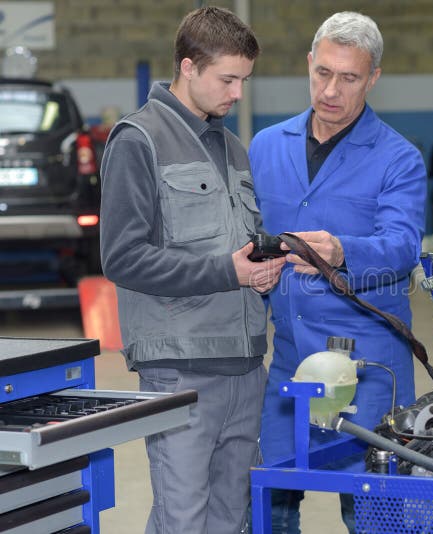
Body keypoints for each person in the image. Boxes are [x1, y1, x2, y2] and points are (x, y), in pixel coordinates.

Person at [99, 7, 285, 533]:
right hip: (180, 370)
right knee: (182, 520)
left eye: (244, 80)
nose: (238, 94)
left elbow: (239, 247)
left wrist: (261, 270)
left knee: (232, 520)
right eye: (228, 79)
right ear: (188, 66)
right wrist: (229, 272)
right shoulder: (138, 140)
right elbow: (123, 257)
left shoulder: (233, 149)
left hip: (245, 366)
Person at [248, 10, 427, 533]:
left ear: (373, 79)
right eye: (323, 72)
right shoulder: (266, 147)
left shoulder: (399, 159)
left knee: (373, 512)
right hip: (290, 362)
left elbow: (402, 247)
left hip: (368, 368)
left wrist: (342, 251)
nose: (331, 90)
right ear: (309, 62)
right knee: (271, 505)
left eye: (349, 78)